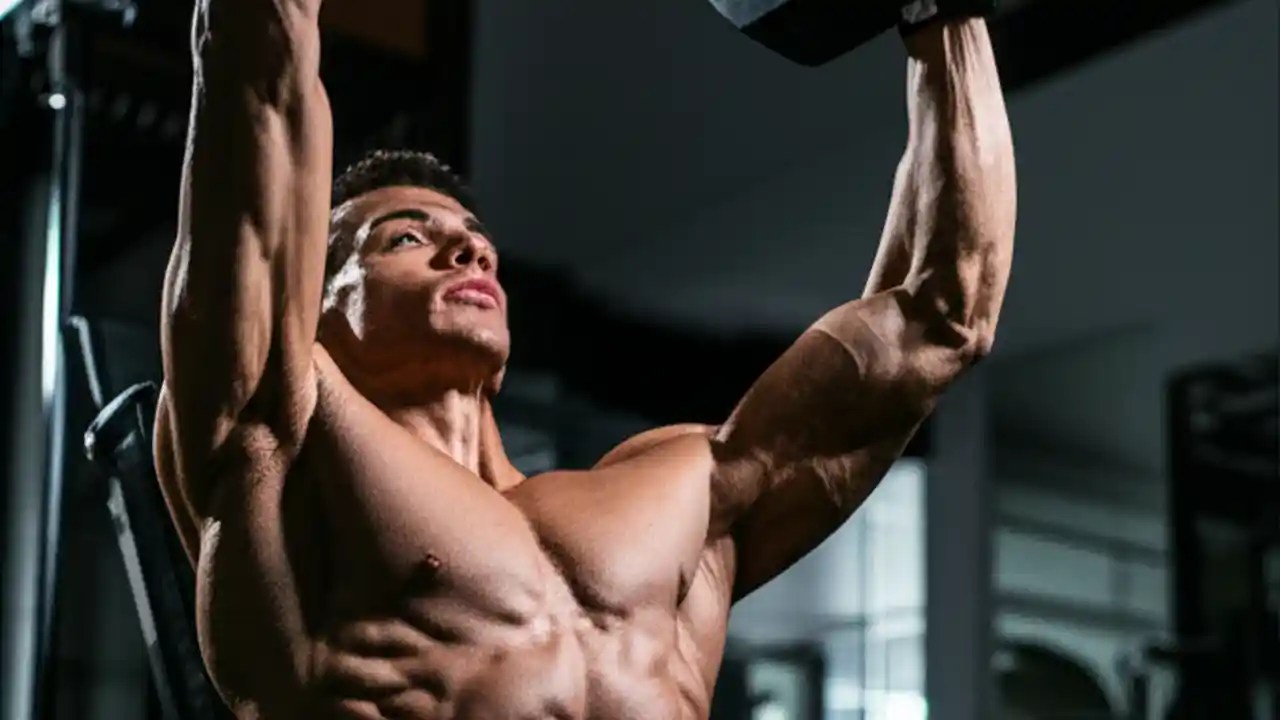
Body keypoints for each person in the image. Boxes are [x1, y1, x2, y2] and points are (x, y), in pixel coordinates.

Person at [153, 0, 1015, 716]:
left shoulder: (676, 488)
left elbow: (943, 314)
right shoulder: (280, 443)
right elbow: (257, 74)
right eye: (405, 238)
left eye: (477, 242)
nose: (467, 253)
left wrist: (936, 16)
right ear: (313, 300)